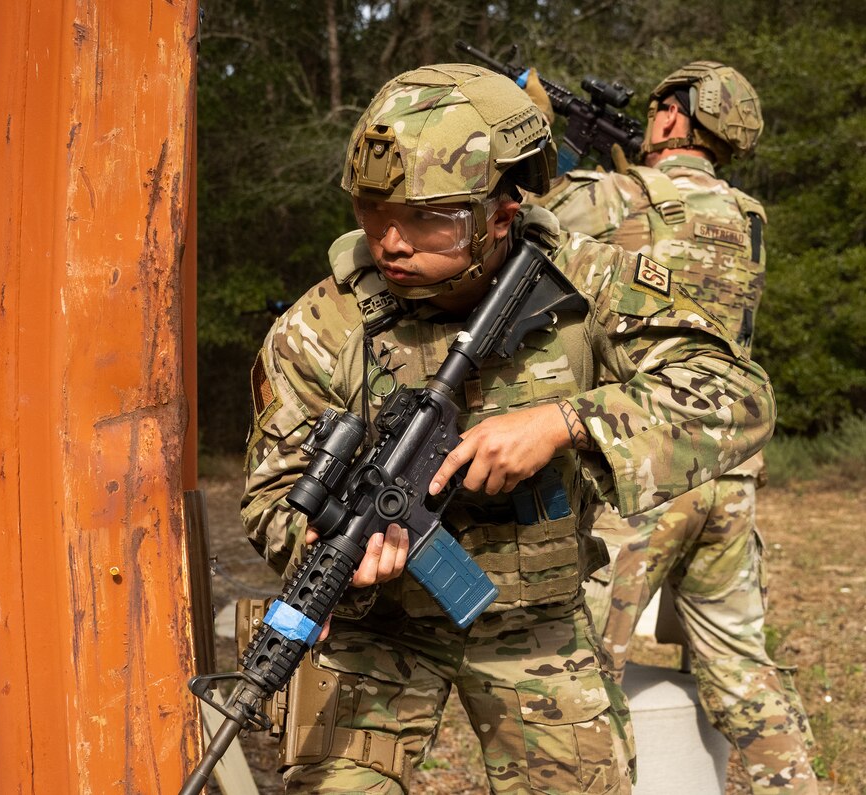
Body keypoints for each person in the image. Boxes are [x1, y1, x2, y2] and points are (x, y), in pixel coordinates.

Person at [241, 62, 775, 794]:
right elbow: (272, 489)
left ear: (501, 210)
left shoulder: (591, 283)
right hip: (380, 630)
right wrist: (313, 543)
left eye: (428, 216)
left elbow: (735, 393)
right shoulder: (319, 326)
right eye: (372, 209)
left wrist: (567, 421)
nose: (390, 240)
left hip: (538, 626)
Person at [531, 62, 818, 793]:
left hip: (649, 461)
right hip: (730, 467)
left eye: (662, 104)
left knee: (582, 665)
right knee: (740, 665)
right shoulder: (747, 215)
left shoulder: (624, 193)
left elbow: (535, 217)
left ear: (672, 117)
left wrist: (544, 134)